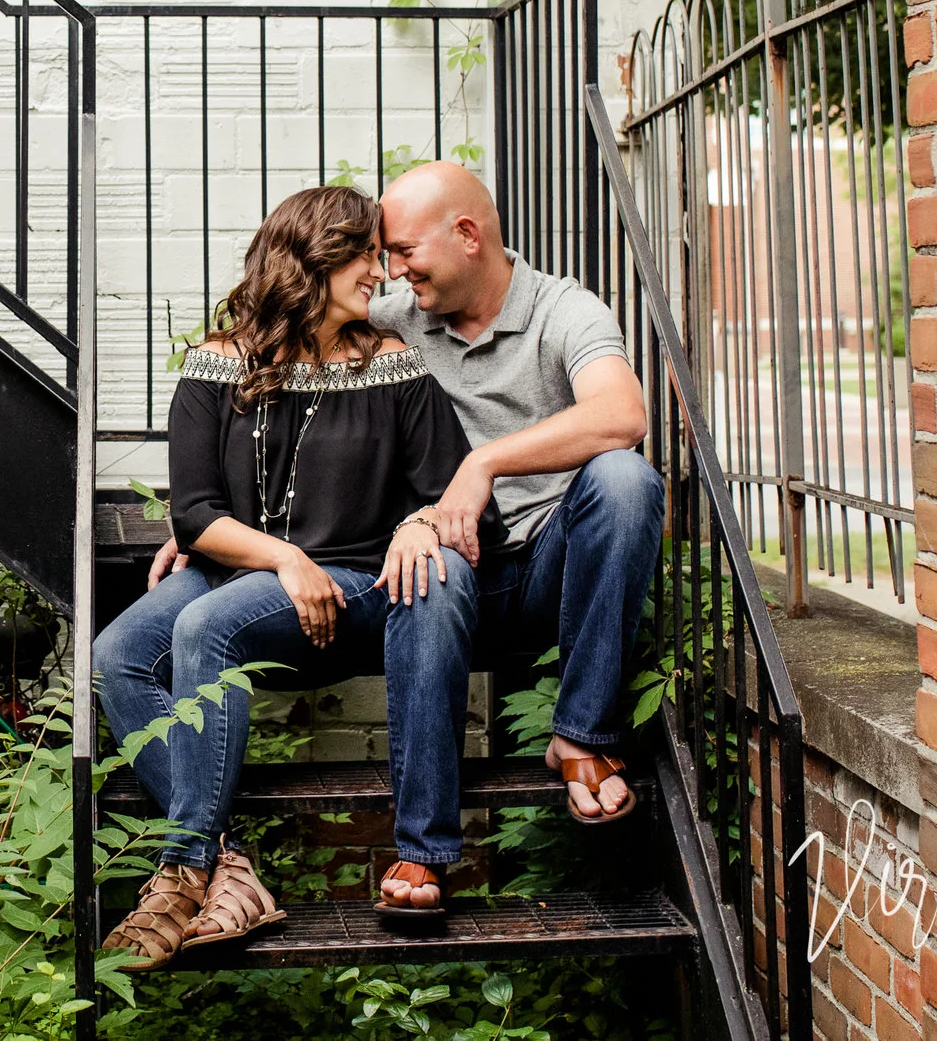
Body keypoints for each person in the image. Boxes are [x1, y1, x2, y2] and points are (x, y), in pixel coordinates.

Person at [94, 186, 476, 968]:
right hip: (244, 568)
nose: (380, 271)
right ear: (314, 255)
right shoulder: (217, 362)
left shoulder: (394, 366)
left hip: (360, 585)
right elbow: (196, 514)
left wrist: (411, 523)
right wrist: (284, 556)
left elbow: (450, 494)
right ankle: (229, 864)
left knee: (208, 624)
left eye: (381, 252)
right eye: (366, 252)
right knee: (120, 653)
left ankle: (185, 868)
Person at [363, 161, 662, 912]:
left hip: (555, 569)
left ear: (468, 234)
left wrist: (485, 460)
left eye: (403, 251)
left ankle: (582, 733)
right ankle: (423, 851)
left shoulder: (566, 310)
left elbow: (624, 415)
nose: (393, 272)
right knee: (425, 564)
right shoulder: (402, 316)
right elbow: (274, 329)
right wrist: (201, 517)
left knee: (627, 479)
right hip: (459, 566)